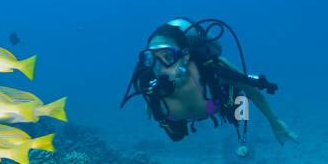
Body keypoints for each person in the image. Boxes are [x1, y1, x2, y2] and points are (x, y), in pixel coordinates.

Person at [120, 18, 297, 144]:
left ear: (184, 56)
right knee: (176, 136)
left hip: (219, 101)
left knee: (237, 109)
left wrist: (275, 122)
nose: (158, 67)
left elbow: (252, 91)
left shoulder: (212, 71)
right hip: (181, 116)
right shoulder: (147, 83)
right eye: (151, 58)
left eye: (167, 56)